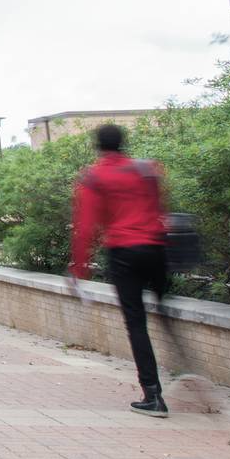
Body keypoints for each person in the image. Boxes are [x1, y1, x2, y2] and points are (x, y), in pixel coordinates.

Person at [70, 124, 176, 417]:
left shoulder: (94, 177)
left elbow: (86, 227)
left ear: (98, 146)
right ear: (122, 143)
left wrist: (79, 271)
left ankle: (153, 395)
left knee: (137, 324)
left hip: (124, 253)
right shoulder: (147, 169)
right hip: (156, 249)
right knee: (163, 306)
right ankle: (184, 360)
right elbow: (161, 208)